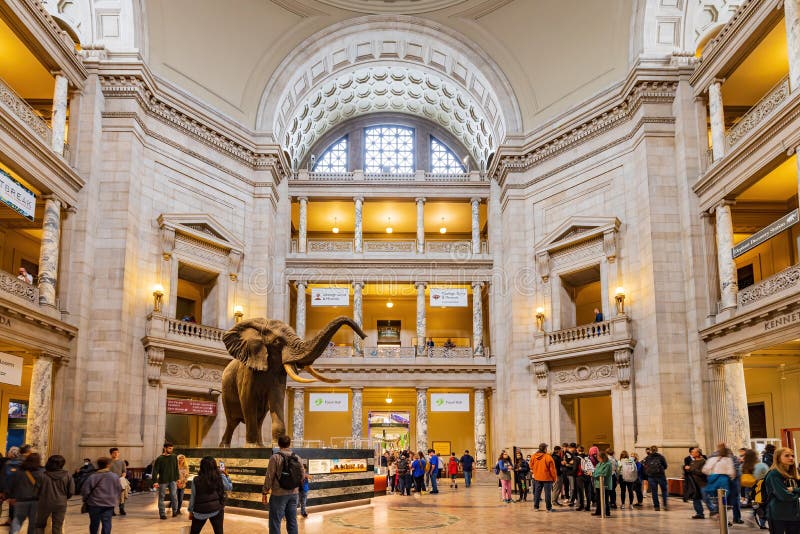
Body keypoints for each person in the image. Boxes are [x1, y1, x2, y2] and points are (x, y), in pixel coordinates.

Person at [262, 435, 305, 534]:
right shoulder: (297, 457)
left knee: (275, 522)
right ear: (289, 444)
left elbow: (269, 476)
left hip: (278, 494)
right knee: (292, 521)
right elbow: (302, 476)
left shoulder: (275, 457)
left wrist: (265, 492)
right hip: (294, 494)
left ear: (279, 444)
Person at [188, 456, 232, 534]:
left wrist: (191, 511)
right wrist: (225, 475)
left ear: (201, 467)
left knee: (194, 532)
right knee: (219, 532)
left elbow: (193, 497)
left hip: (200, 512)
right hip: (216, 509)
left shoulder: (196, 480)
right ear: (214, 466)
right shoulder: (219, 477)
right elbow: (229, 487)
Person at [763, 447, 800, 534]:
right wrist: (797, 493)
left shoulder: (792, 473)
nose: (791, 458)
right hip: (778, 515)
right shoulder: (774, 474)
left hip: (794, 515)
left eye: (792, 456)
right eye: (787, 456)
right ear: (778, 458)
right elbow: (785, 496)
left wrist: (794, 490)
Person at [35, 454, 74, 534]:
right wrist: (63, 498)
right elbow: (71, 491)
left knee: (39, 525)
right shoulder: (67, 475)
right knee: (57, 526)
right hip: (60, 503)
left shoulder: (42, 475)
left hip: (44, 503)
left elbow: (36, 491)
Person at [81, 457, 120, 534]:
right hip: (109, 504)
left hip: (94, 504)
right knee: (107, 523)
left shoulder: (93, 476)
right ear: (108, 465)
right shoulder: (114, 476)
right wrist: (114, 498)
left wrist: (85, 499)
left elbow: (85, 490)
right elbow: (119, 489)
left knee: (94, 524)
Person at [8, 452, 43, 534]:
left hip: (21, 500)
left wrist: (12, 497)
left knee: (17, 520)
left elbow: (13, 485)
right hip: (36, 501)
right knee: (33, 523)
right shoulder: (42, 473)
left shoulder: (19, 472)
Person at [702, 443, 736, 517]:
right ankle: (719, 511)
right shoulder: (728, 459)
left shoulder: (712, 459)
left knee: (711, 495)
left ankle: (715, 510)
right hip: (723, 479)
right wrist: (731, 478)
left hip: (713, 478)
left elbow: (705, 470)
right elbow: (731, 472)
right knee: (723, 496)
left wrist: (710, 474)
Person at [152, 442, 180, 519]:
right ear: (165, 448)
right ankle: (162, 514)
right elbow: (155, 471)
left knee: (174, 496)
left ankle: (175, 511)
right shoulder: (159, 458)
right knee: (161, 497)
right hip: (163, 481)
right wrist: (155, 481)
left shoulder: (174, 457)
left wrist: (177, 478)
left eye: (172, 449)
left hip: (173, 480)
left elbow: (176, 468)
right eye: (169, 448)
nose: (171, 450)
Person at [685, 447, 710, 519]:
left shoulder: (703, 461)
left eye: (693, 452)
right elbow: (691, 471)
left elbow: (702, 472)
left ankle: (714, 511)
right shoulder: (692, 461)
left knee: (706, 499)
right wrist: (687, 469)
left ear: (698, 453)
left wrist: (690, 469)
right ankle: (699, 513)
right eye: (691, 452)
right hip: (694, 484)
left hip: (702, 483)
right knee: (696, 499)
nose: (691, 453)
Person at [531, 443, 557, 511]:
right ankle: (548, 508)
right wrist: (554, 478)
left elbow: (530, 466)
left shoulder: (533, 456)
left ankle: (536, 507)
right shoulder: (548, 457)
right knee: (547, 494)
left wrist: (536, 471)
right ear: (545, 449)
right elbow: (552, 469)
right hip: (547, 478)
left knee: (537, 493)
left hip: (537, 478)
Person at [643, 445, 669, 511]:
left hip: (651, 477)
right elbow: (665, 466)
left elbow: (645, 466)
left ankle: (656, 507)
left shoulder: (647, 457)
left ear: (651, 450)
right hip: (661, 476)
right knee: (664, 490)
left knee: (654, 492)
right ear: (657, 450)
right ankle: (665, 505)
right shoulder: (661, 457)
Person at [592, 451, 613, 517]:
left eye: (599, 458)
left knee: (605, 498)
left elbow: (604, 473)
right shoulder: (599, 464)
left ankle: (607, 512)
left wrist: (594, 475)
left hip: (605, 483)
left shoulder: (608, 464)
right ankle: (598, 511)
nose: (598, 459)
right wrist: (593, 473)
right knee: (598, 498)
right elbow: (596, 471)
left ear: (603, 457)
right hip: (598, 483)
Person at [108, 448, 127, 516]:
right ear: (111, 454)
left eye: (117, 452)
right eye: (114, 452)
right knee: (112, 496)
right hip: (111, 481)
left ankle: (121, 509)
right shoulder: (108, 462)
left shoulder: (122, 462)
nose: (116, 454)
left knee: (121, 496)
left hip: (120, 480)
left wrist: (122, 477)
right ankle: (112, 510)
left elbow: (124, 471)